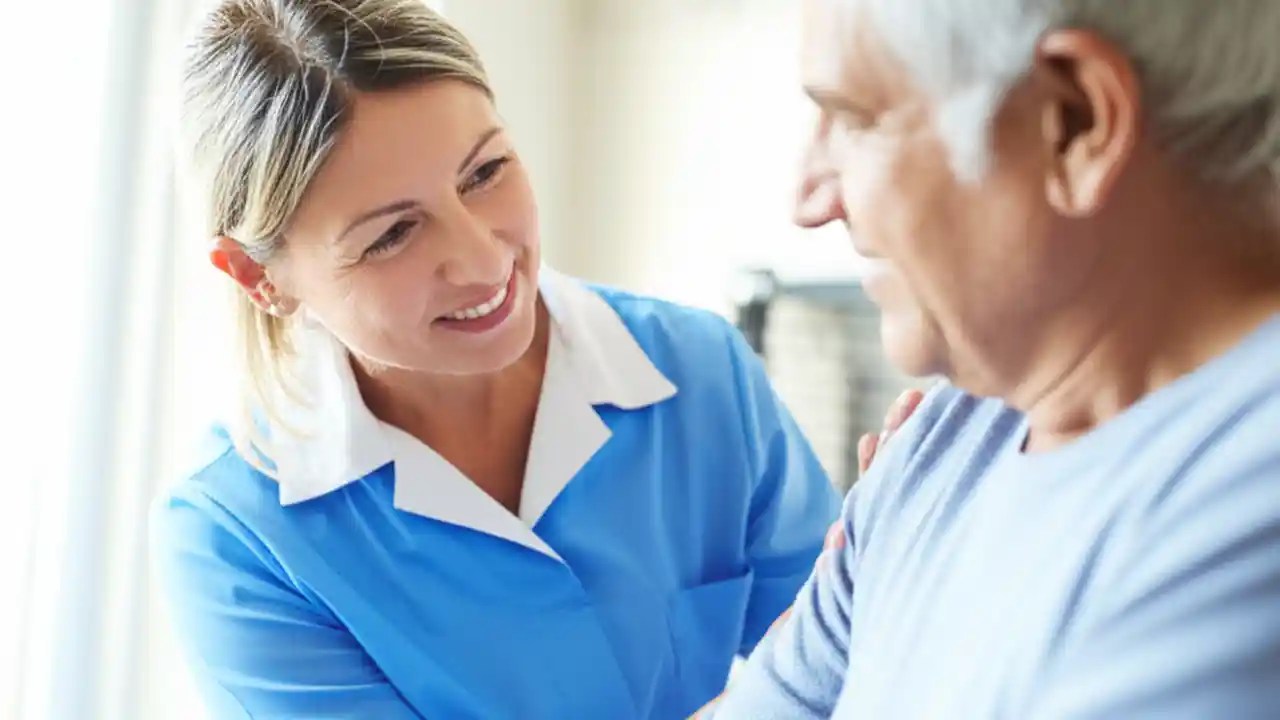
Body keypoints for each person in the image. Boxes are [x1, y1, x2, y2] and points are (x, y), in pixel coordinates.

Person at [150, 2, 849, 718]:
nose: (485, 262)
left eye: (484, 172)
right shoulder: (236, 537)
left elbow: (860, 660)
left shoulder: (700, 373)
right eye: (392, 235)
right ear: (257, 276)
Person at [704, 0, 1280, 717]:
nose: (809, 197)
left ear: (1075, 122)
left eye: (854, 119)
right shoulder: (950, 436)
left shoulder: (1247, 514)